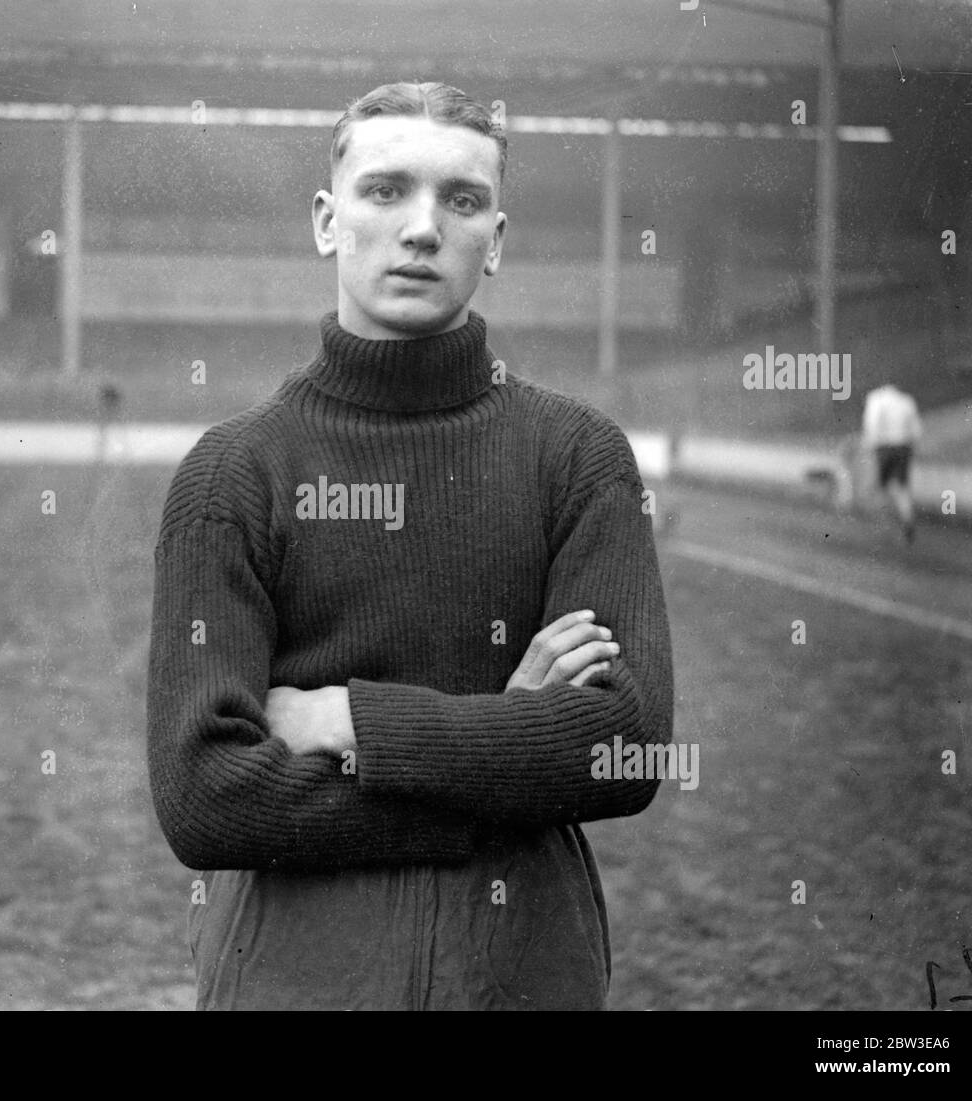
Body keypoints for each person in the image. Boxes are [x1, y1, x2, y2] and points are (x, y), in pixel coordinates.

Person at [144, 81, 674, 1010]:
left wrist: (354, 722)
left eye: (461, 200)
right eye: (385, 190)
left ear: (497, 240)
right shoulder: (232, 475)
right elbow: (206, 795)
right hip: (297, 976)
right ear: (327, 219)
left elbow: (621, 745)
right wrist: (505, 743)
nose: (422, 227)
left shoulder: (581, 458)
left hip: (521, 969)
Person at [861, 382, 923, 543]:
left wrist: (870, 444)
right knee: (902, 486)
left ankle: (884, 524)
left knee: (881, 486)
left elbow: (872, 423)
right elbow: (916, 429)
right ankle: (907, 520)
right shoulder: (906, 400)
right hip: (903, 447)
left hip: (884, 447)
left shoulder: (876, 399)